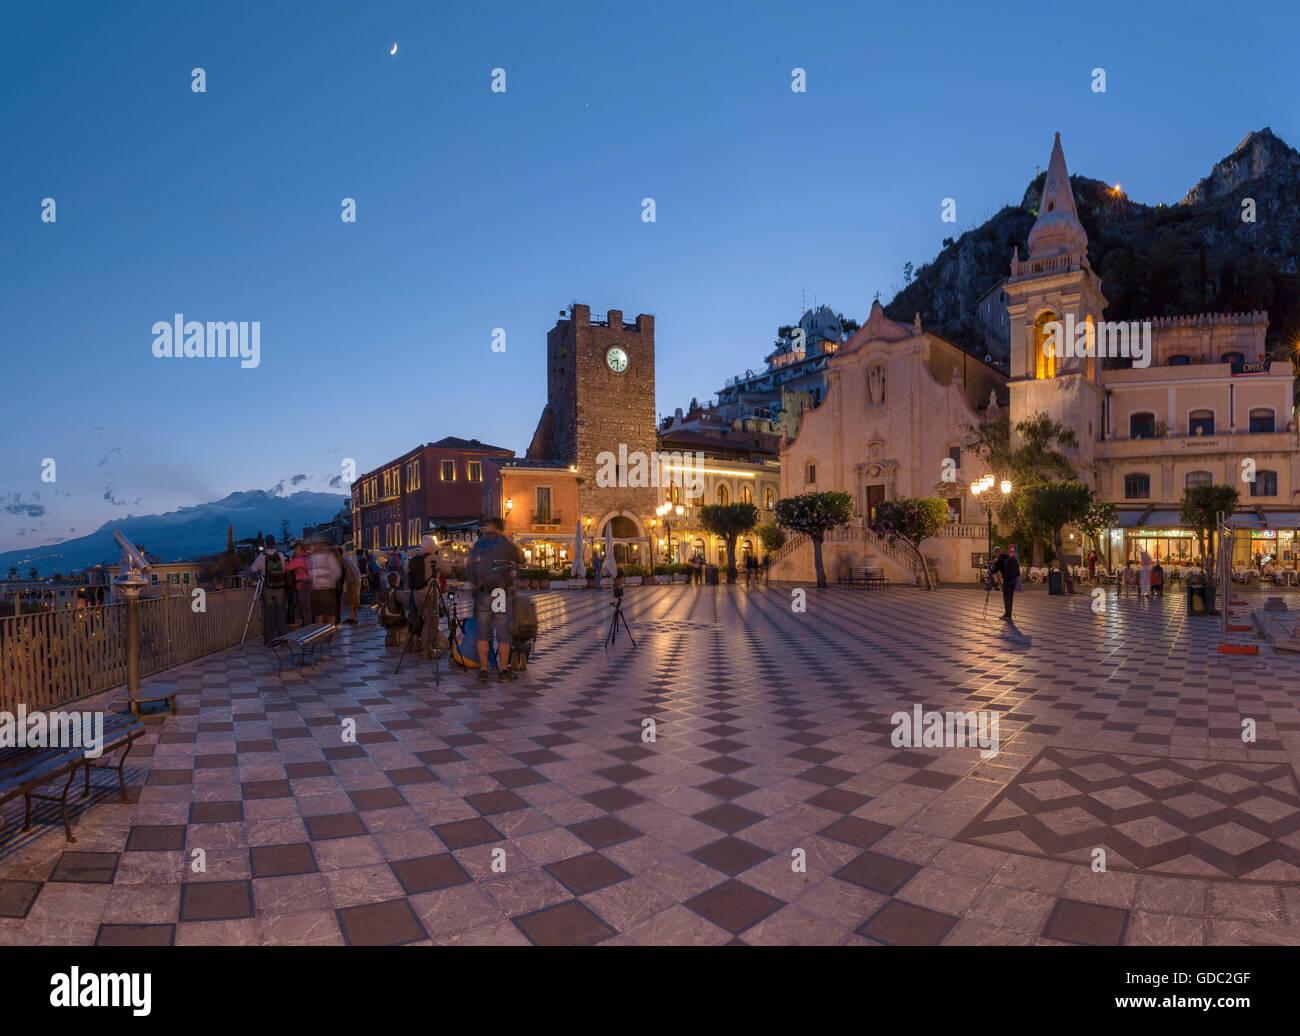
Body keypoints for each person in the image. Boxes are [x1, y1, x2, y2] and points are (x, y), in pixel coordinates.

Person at [466, 517, 524, 682]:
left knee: (483, 634)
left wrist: (475, 585)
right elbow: (521, 558)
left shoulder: (478, 544)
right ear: (500, 529)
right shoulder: (504, 544)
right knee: (503, 634)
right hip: (500, 592)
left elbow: (468, 567)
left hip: (483, 593)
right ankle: (503, 672)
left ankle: (484, 670)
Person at [409, 535, 452, 660]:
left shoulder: (414, 558)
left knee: (426, 622)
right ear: (432, 547)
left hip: (416, 594)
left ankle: (426, 648)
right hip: (429, 594)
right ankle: (427, 651)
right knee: (432, 622)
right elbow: (448, 571)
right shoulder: (433, 558)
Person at [249, 535, 288, 647]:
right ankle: (283, 640)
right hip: (280, 587)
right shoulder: (280, 555)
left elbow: (252, 569)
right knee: (281, 614)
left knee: (268, 615)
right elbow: (284, 569)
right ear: (274, 544)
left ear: (265, 544)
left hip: (268, 588)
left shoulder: (262, 557)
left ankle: (268, 641)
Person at [308, 538, 342, 624]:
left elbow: (336, 572)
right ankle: (324, 630)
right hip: (320, 590)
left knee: (328, 615)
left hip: (326, 590)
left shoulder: (328, 557)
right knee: (321, 614)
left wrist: (328, 581)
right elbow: (336, 572)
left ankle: (329, 630)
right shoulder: (313, 558)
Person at [989, 543, 1020, 621]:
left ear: (996, 553)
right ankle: (1008, 614)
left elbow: (994, 571)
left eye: (995, 554)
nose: (995, 555)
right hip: (1014, 580)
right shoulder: (1007, 556)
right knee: (1010, 597)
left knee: (1006, 598)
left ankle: (1007, 615)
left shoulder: (1000, 559)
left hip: (1007, 580)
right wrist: (995, 562)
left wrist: (990, 567)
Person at [286, 541, 313, 626]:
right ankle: (309, 625)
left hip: (302, 585)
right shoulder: (310, 557)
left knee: (304, 607)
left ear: (301, 550)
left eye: (297, 549)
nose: (295, 551)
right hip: (310, 584)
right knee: (308, 607)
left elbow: (287, 567)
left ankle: (307, 626)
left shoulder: (299, 559)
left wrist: (290, 561)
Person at [379, 572, 408, 647]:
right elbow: (408, 604)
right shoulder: (397, 592)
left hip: (386, 621)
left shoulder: (385, 592)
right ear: (397, 581)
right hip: (398, 621)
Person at [339, 545, 363, 624]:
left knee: (355, 600)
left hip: (354, 581)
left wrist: (356, 582)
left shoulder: (345, 560)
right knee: (351, 600)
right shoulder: (345, 559)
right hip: (351, 581)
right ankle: (351, 616)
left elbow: (354, 571)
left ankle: (355, 617)